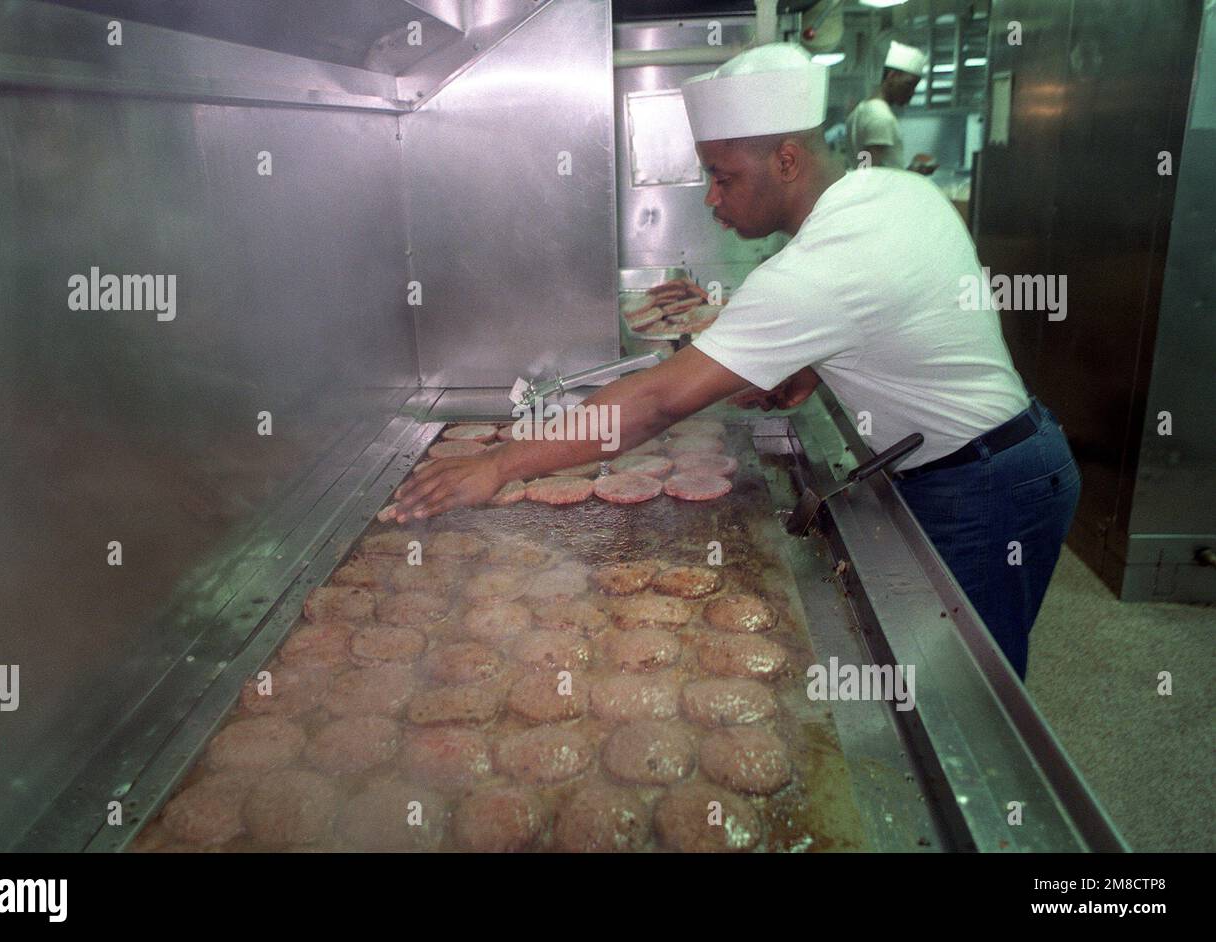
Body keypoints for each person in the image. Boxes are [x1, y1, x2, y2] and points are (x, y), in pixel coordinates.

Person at [394, 44, 1080, 680]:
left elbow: (658, 401)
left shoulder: (822, 262)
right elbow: (908, 320)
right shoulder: (893, 193)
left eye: (723, 177)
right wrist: (811, 364)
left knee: (959, 698)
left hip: (985, 487)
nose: (711, 198)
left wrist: (500, 464)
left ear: (787, 160)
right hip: (1011, 455)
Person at [846, 40, 936, 174]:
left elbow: (875, 170)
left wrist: (912, 172)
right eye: (909, 85)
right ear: (892, 76)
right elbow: (868, 174)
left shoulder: (862, 109)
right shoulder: (881, 117)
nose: (911, 93)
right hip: (880, 195)